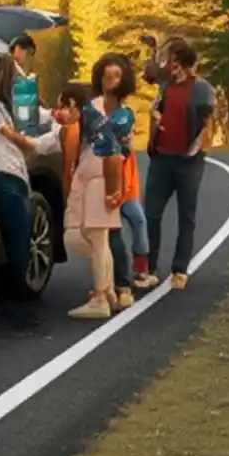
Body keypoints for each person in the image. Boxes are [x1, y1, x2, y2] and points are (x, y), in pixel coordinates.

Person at [0, 55, 63, 304]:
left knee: (18, 231)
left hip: (10, 173)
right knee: (18, 232)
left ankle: (16, 287)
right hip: (1, 173)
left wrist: (52, 115)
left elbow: (31, 117)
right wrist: (51, 135)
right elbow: (22, 139)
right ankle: (17, 291)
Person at [133, 38, 216, 291]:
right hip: (161, 158)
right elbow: (150, 75)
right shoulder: (166, 86)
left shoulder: (202, 89)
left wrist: (194, 152)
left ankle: (180, 270)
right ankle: (149, 268)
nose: (172, 67)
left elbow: (207, 125)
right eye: (170, 63)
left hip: (188, 161)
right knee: (150, 214)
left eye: (175, 63)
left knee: (185, 215)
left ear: (187, 65)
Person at [56, 82, 123, 320]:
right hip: (101, 181)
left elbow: (111, 154)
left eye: (62, 107)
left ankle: (100, 297)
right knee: (99, 241)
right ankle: (108, 291)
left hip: (98, 183)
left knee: (95, 240)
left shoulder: (94, 122)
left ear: (73, 104)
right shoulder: (91, 121)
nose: (61, 113)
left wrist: (113, 190)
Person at [91, 53, 148, 310]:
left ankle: (126, 283)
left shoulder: (125, 114)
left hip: (124, 181)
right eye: (107, 77)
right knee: (107, 237)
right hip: (98, 179)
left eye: (117, 76)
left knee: (131, 225)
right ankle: (106, 287)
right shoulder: (92, 110)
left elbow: (120, 144)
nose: (112, 81)